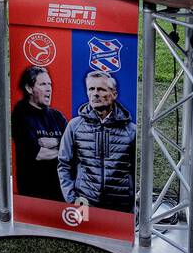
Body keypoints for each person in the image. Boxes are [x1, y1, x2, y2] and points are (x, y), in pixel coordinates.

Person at [57, 71, 136, 213]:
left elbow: (140, 171)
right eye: (91, 89)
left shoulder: (131, 131)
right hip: (85, 204)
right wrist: (71, 199)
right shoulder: (74, 126)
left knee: (115, 236)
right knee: (84, 235)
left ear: (114, 94)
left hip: (121, 207)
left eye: (101, 89)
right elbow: (64, 164)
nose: (95, 94)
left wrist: (134, 202)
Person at [11, 66, 69, 201]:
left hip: (61, 190)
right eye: (43, 84)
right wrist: (63, 147)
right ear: (29, 88)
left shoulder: (57, 116)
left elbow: (74, 148)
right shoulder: (20, 114)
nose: (49, 88)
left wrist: (55, 142)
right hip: (34, 194)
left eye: (50, 84)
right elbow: (39, 154)